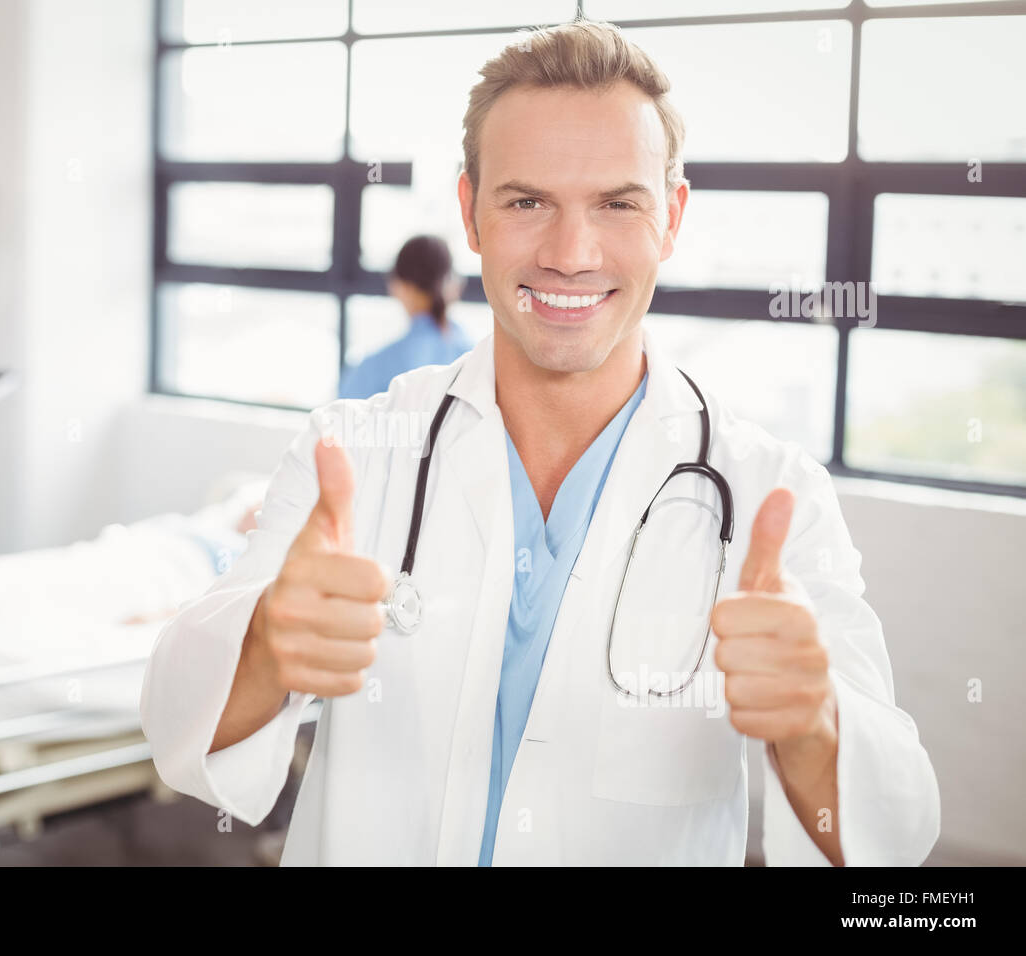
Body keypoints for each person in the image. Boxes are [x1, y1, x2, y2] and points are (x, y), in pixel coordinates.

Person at [140, 21, 940, 866]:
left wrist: (816, 725)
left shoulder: (773, 496)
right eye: (527, 201)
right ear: (470, 213)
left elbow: (893, 838)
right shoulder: (356, 450)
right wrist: (267, 642)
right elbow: (176, 721)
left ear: (672, 216)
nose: (570, 253)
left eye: (618, 203)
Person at [338, 235, 472, 399]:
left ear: (399, 285)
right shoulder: (478, 358)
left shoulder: (371, 369)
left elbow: (339, 420)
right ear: (454, 286)